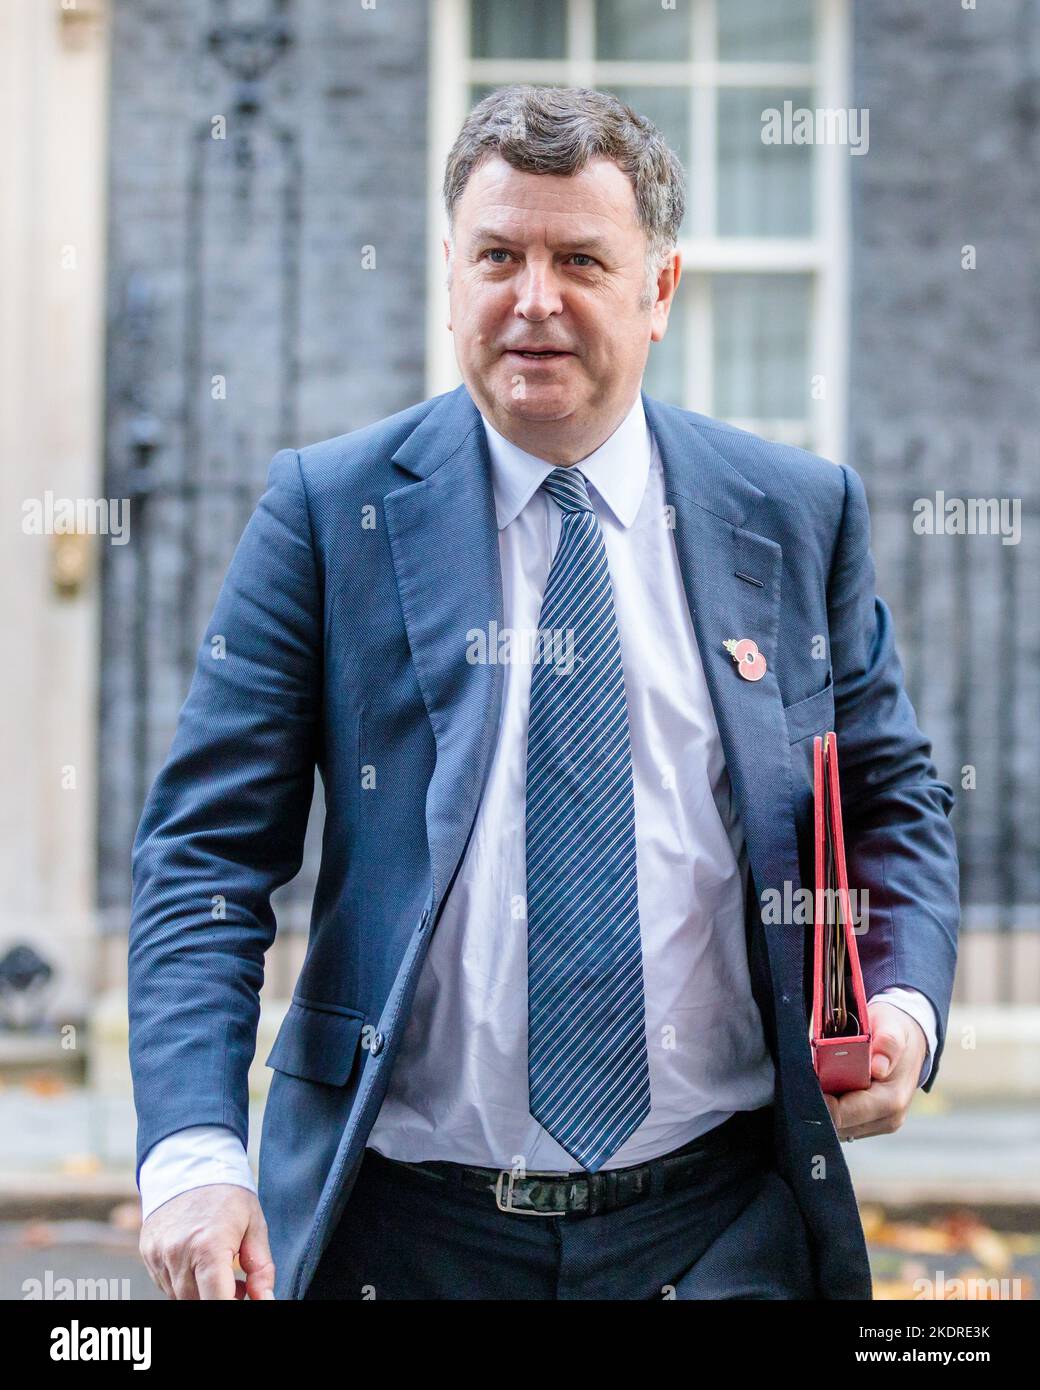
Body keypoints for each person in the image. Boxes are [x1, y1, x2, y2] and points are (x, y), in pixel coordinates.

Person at [130, 85, 959, 1301]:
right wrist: (196, 1154)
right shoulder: (327, 513)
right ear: (450, 279)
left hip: (715, 1229)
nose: (533, 300)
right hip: (401, 1235)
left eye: (580, 258)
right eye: (496, 257)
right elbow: (204, 854)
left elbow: (891, 794)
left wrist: (899, 1004)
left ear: (658, 290)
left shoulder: (790, 514)